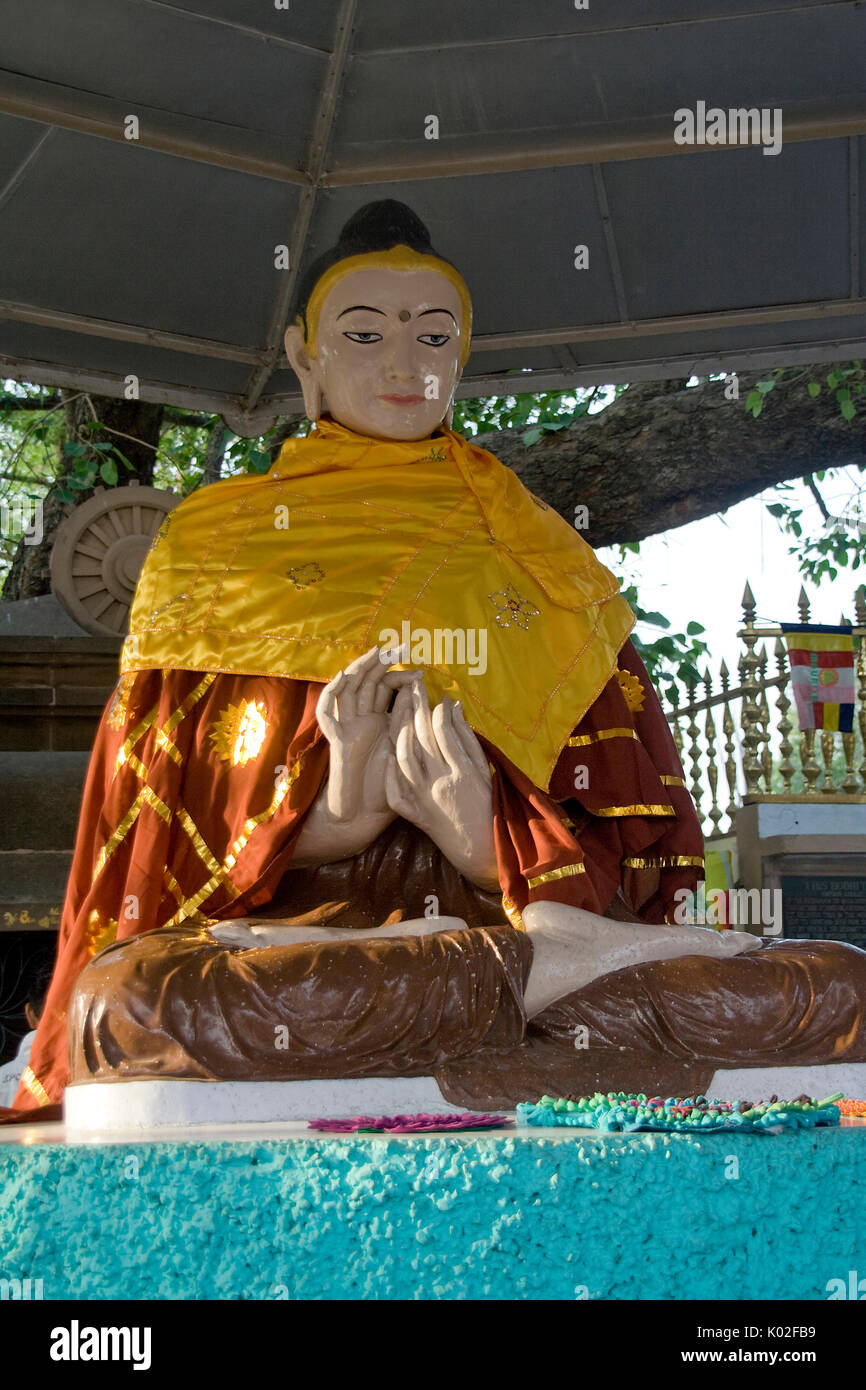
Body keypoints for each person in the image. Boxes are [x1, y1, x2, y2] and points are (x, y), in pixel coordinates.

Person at [14, 200, 767, 1114]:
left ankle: (547, 966)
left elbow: (644, 852)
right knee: (134, 1002)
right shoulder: (214, 544)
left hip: (506, 922)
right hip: (302, 953)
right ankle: (534, 975)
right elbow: (151, 842)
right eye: (364, 334)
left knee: (800, 989)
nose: (405, 366)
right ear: (305, 356)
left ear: (463, 354)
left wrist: (488, 842)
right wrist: (334, 814)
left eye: (434, 338)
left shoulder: (546, 561)